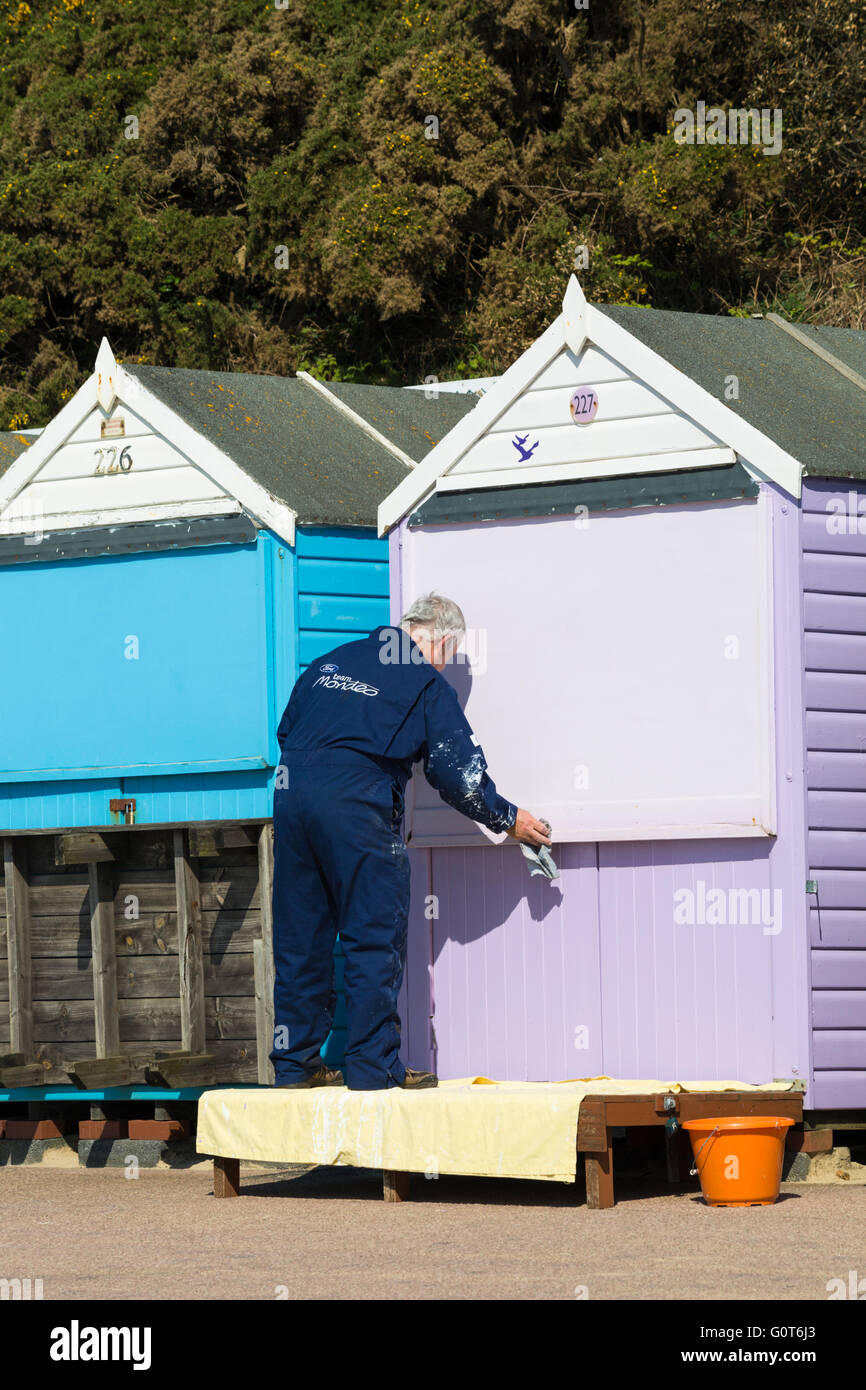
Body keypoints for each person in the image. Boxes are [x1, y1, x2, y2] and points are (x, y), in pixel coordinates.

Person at [269, 593, 552, 1091]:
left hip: (292, 797)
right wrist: (509, 818)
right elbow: (456, 774)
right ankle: (373, 1069)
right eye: (449, 654)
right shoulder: (423, 682)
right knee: (372, 935)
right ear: (439, 640)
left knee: (301, 937)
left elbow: (286, 729)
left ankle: (295, 1067)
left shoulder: (329, 661)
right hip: (356, 805)